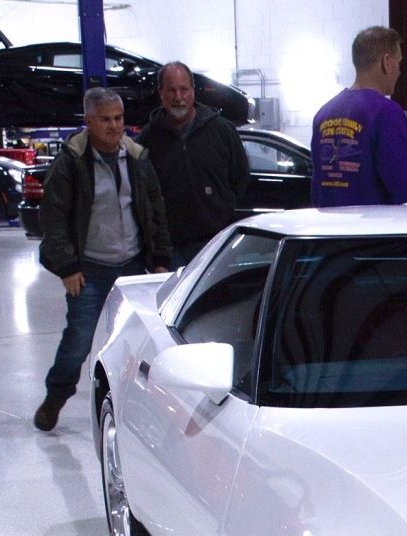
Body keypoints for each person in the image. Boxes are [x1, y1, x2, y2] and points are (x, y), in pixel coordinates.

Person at [34, 88, 171, 432]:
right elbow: (54, 218)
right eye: (105, 119)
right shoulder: (70, 163)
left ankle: (136, 408)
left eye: (119, 118)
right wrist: (67, 267)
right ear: (89, 121)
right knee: (78, 340)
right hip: (89, 271)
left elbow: (155, 212)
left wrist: (159, 259)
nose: (114, 126)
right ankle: (55, 398)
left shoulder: (137, 158)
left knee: (140, 342)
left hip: (132, 268)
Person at [310, 26, 407, 207]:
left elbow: (318, 186)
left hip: (331, 224)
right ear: (386, 62)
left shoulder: (324, 114)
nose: (399, 71)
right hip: (373, 224)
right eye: (399, 63)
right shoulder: (385, 112)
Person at [138, 61, 250, 265]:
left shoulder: (222, 130)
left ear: (193, 91)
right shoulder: (148, 139)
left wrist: (221, 211)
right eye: (171, 90)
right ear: (161, 93)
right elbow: (143, 194)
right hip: (171, 250)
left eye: (184, 89)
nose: (178, 97)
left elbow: (240, 177)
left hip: (217, 244)